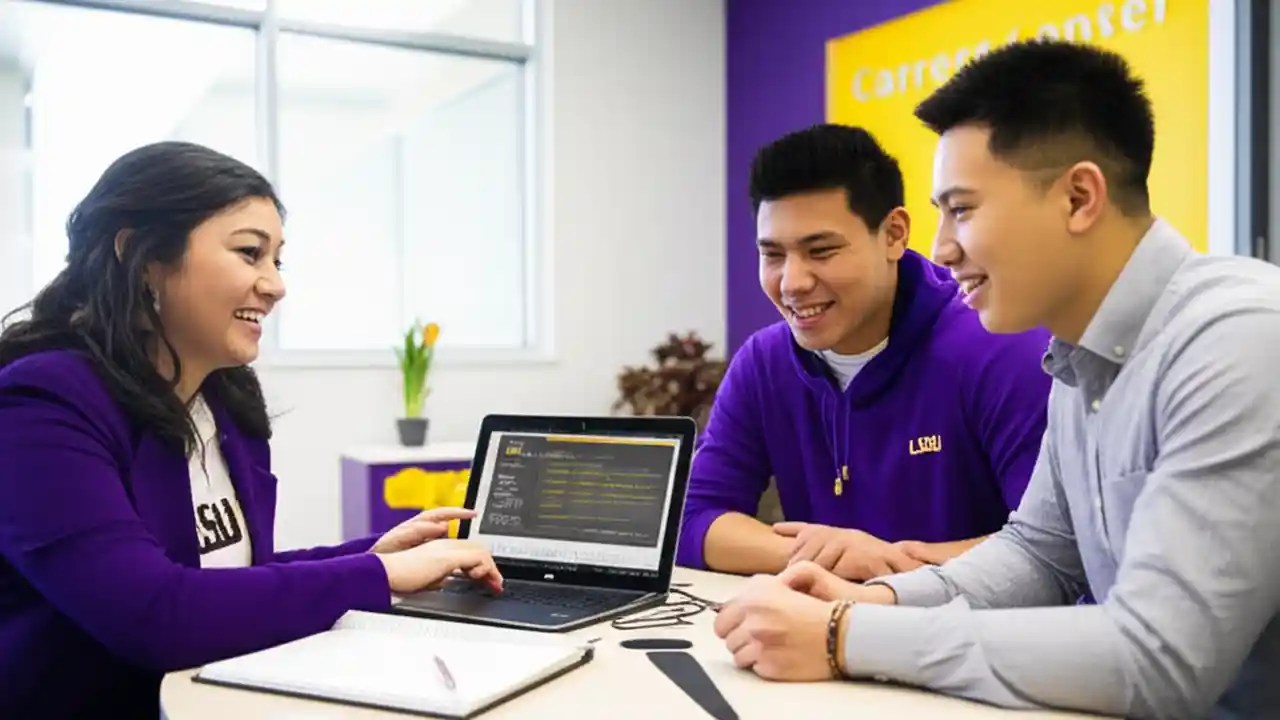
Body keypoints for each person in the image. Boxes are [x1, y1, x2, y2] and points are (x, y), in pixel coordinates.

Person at [713, 39, 1280, 720]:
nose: (942, 246)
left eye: (963, 209)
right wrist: (873, 599)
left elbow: (1158, 656)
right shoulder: (1080, 357)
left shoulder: (1239, 338)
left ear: (1078, 197)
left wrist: (845, 636)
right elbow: (1039, 554)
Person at [0, 142, 505, 718]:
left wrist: (372, 551)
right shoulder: (40, 406)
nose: (275, 285)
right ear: (141, 258)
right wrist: (378, 574)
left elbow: (231, 579)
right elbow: (155, 612)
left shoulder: (224, 398)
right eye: (249, 253)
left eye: (277, 261)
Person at [677, 124, 1051, 580]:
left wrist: (884, 567)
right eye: (773, 255)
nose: (792, 282)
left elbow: (1054, 549)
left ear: (894, 234)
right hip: (816, 630)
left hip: (966, 636)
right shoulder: (764, 363)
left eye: (821, 250)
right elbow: (693, 519)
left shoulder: (997, 345)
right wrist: (824, 557)